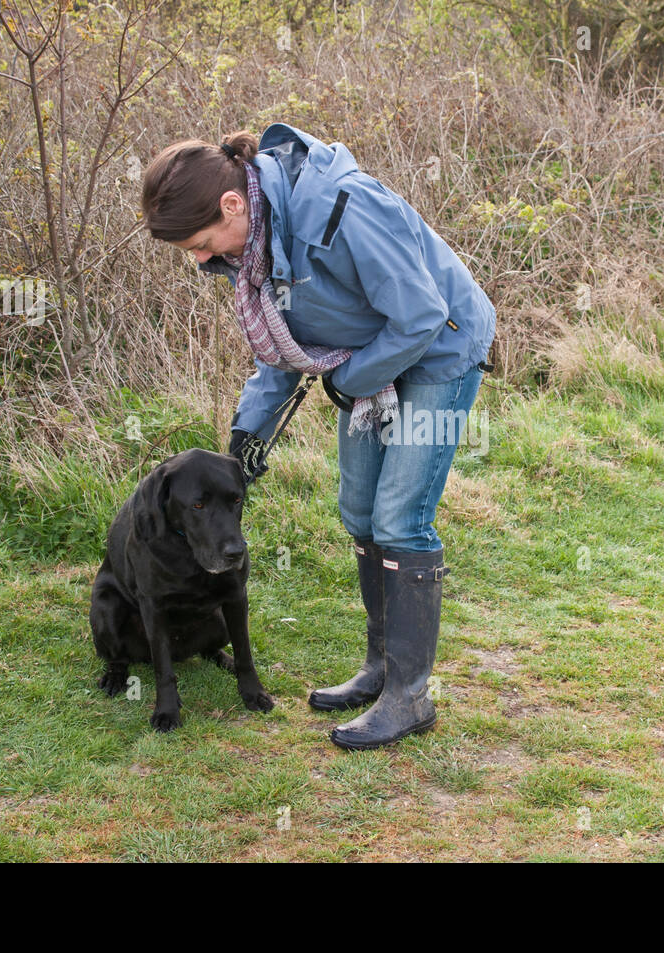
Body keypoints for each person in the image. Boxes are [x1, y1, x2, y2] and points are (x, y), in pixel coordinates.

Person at [139, 123, 495, 750]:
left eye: (199, 242)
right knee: (358, 509)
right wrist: (247, 433)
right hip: (372, 361)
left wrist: (351, 379)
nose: (198, 259)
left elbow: (419, 314)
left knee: (399, 518)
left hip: (438, 350)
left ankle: (409, 698)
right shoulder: (246, 247)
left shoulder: (342, 208)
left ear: (232, 205)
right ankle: (381, 669)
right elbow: (282, 342)